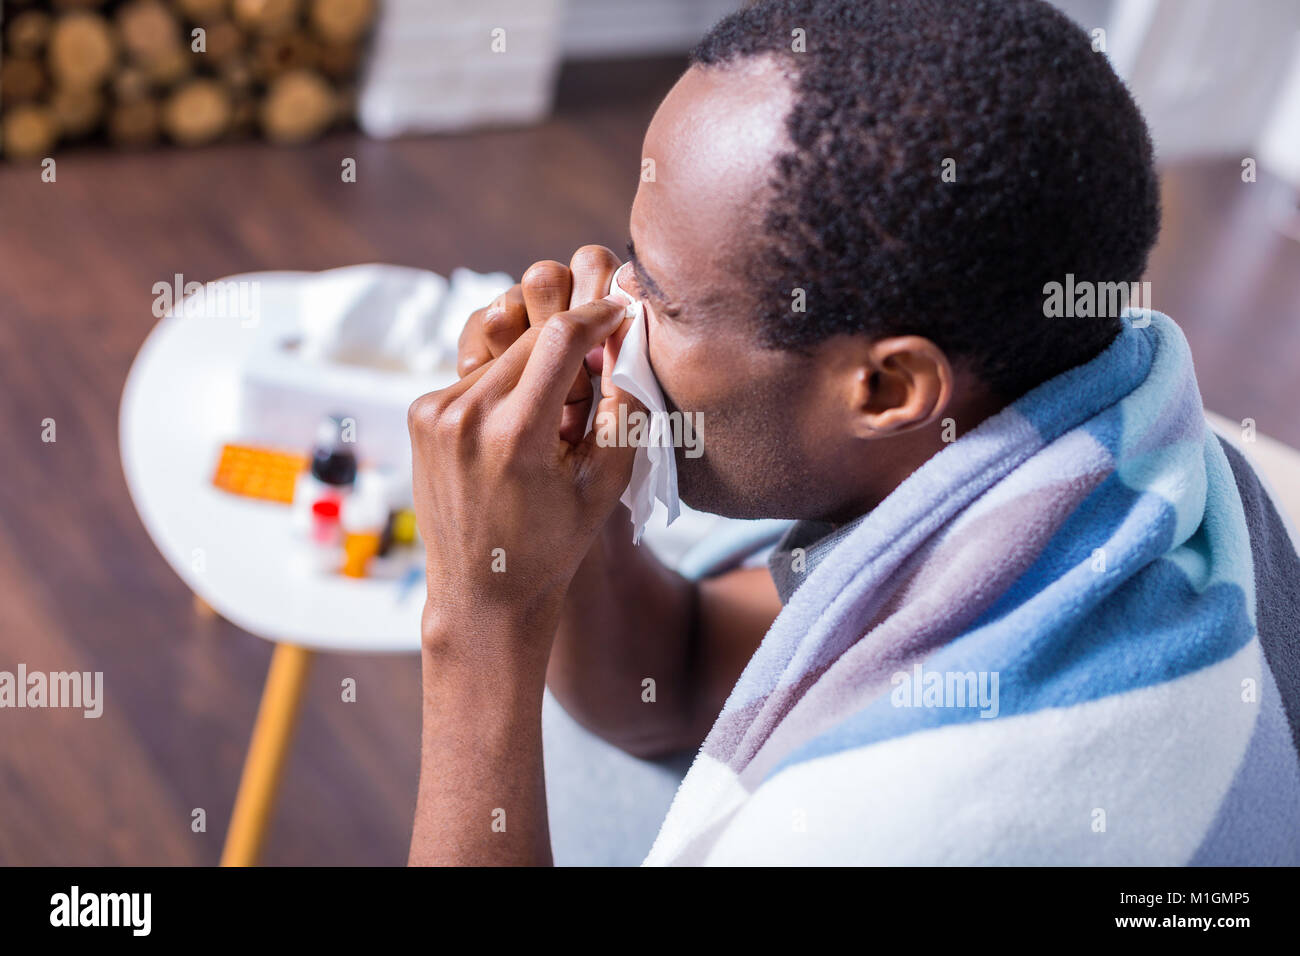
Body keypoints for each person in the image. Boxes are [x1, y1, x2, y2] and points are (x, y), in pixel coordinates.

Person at [407, 0, 1300, 865]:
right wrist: (572, 511)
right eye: (632, 260)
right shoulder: (1096, 437)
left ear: (886, 388)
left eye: (665, 303)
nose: (610, 318)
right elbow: (675, 677)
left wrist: (476, 622)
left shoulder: (912, 812)